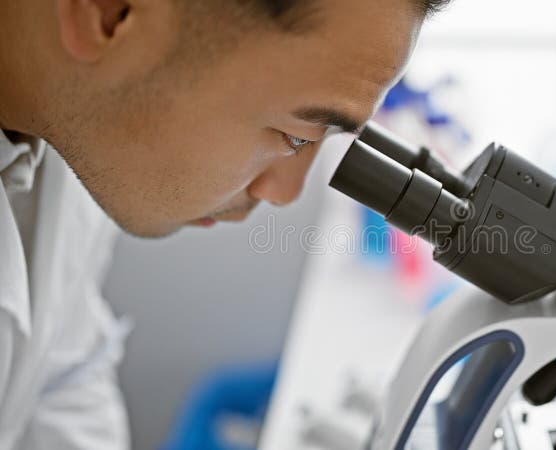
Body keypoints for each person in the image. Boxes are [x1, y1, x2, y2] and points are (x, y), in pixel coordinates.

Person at [0, 0, 450, 448]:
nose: (284, 193)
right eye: (297, 135)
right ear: (108, 16)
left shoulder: (70, 133)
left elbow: (61, 373)